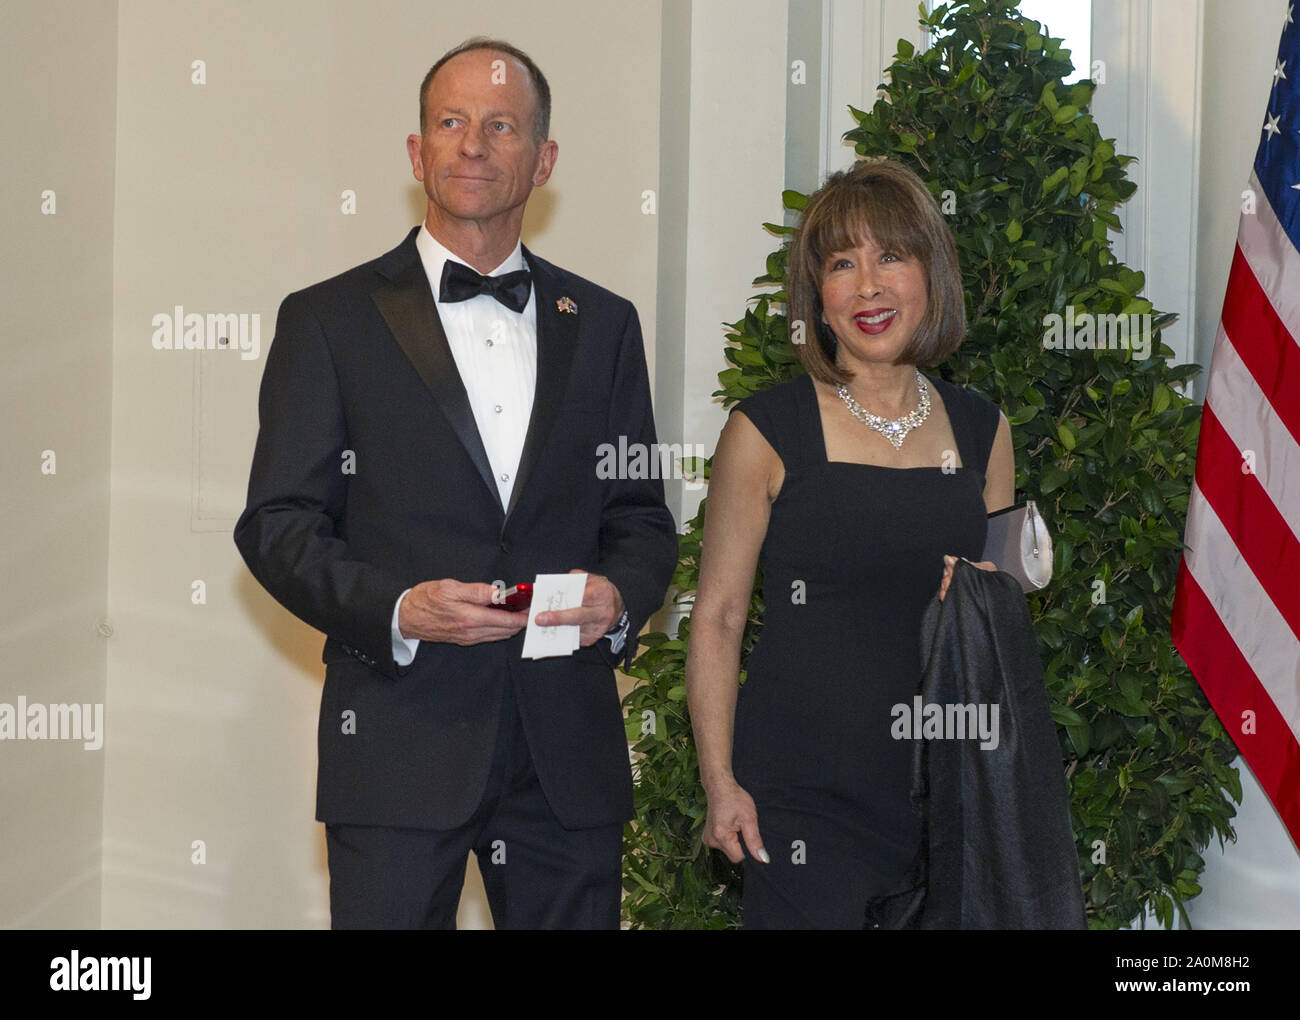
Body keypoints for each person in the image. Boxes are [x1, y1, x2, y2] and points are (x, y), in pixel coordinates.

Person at [234, 37, 677, 930]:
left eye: (501, 125)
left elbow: (640, 517)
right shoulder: (327, 321)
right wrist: (399, 608)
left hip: (566, 754)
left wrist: (617, 598)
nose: (473, 143)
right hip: (398, 744)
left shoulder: (606, 325)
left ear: (543, 160)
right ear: (416, 151)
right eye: (451, 121)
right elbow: (277, 523)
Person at [686, 158, 1015, 928]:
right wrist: (719, 781)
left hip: (948, 790)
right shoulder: (766, 429)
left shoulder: (983, 429)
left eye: (890, 256)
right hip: (803, 799)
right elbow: (719, 616)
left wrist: (984, 595)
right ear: (818, 300)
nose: (867, 285)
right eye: (841, 264)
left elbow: (1004, 620)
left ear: (931, 274)